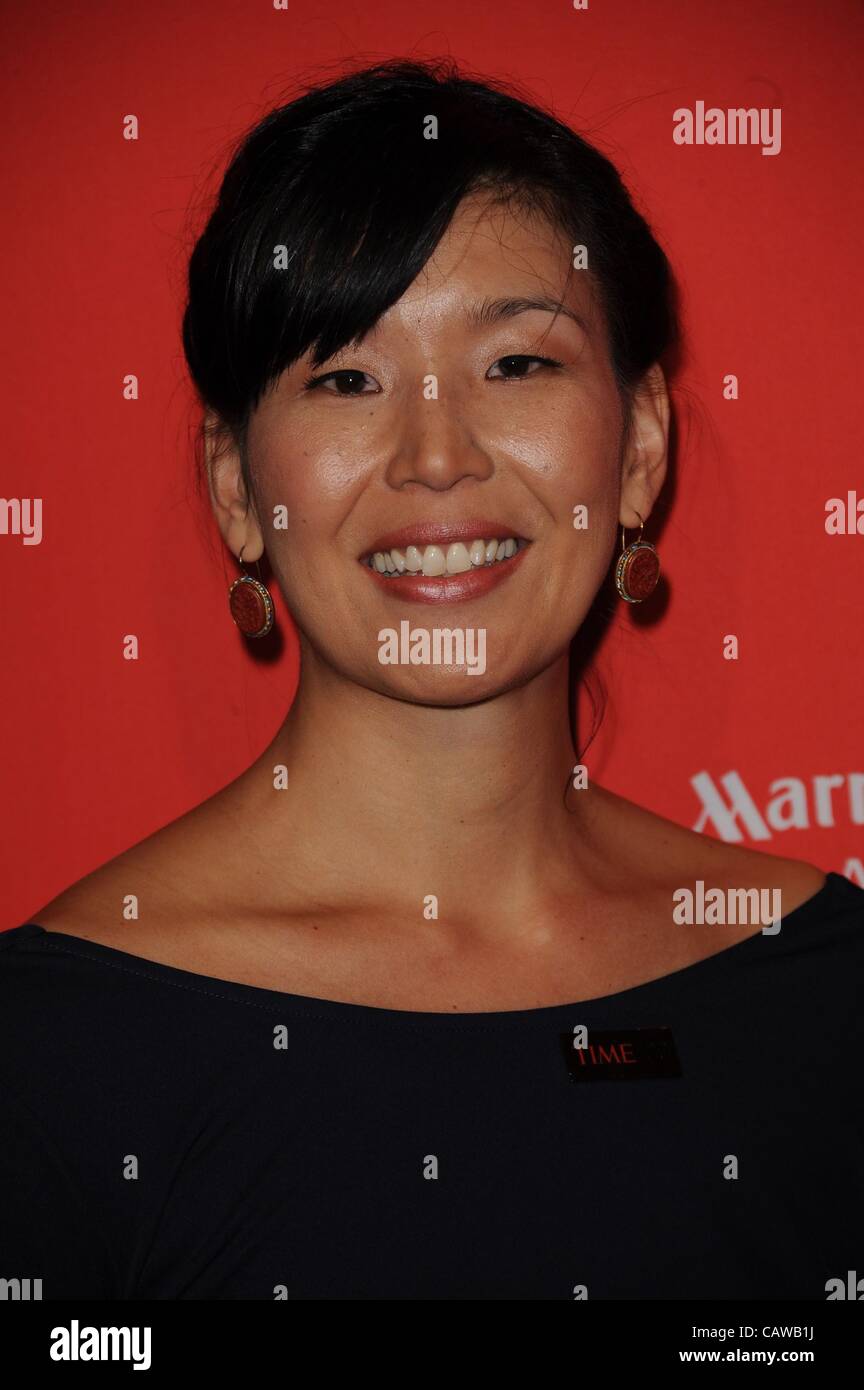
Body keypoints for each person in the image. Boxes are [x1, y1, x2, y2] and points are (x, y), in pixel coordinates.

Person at [2, 57, 861, 1301]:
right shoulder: (54, 1051)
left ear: (643, 443)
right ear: (238, 486)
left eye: (517, 364)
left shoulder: (823, 989)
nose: (437, 456)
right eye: (347, 378)